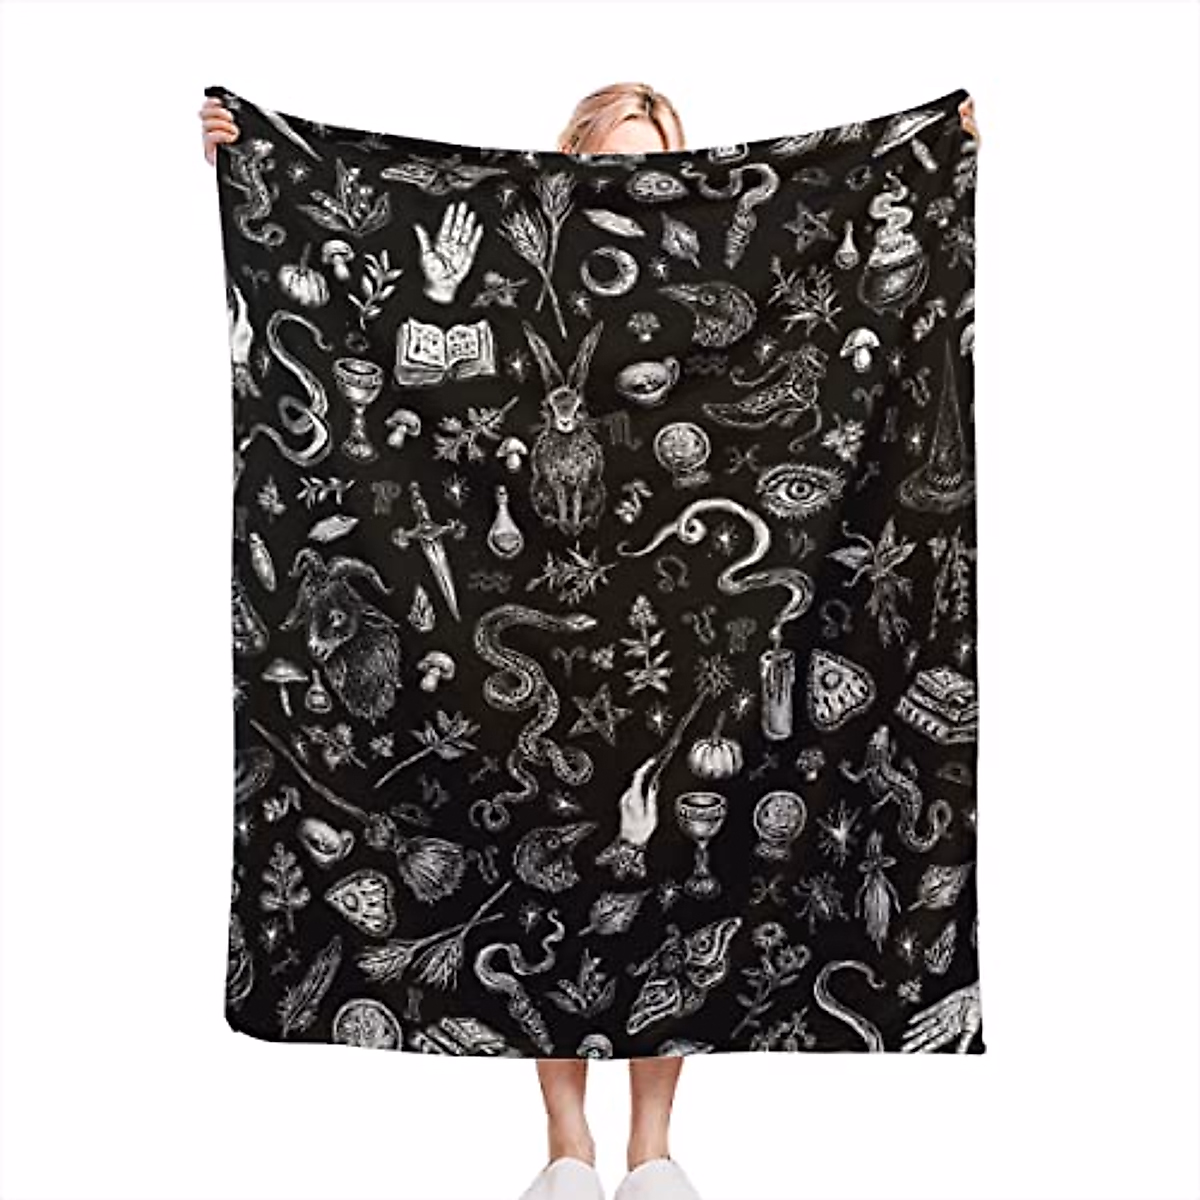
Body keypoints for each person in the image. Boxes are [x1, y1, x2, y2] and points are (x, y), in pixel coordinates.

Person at [198, 80, 979, 1200]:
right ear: (571, 156)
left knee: (678, 876)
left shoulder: (705, 275)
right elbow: (415, 336)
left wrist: (932, 159)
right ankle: (567, 1147)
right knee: (538, 856)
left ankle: (653, 1153)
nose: (642, 182)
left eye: (662, 162)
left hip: (681, 612)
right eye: (619, 157)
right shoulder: (520, 269)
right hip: (519, 602)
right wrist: (259, 162)